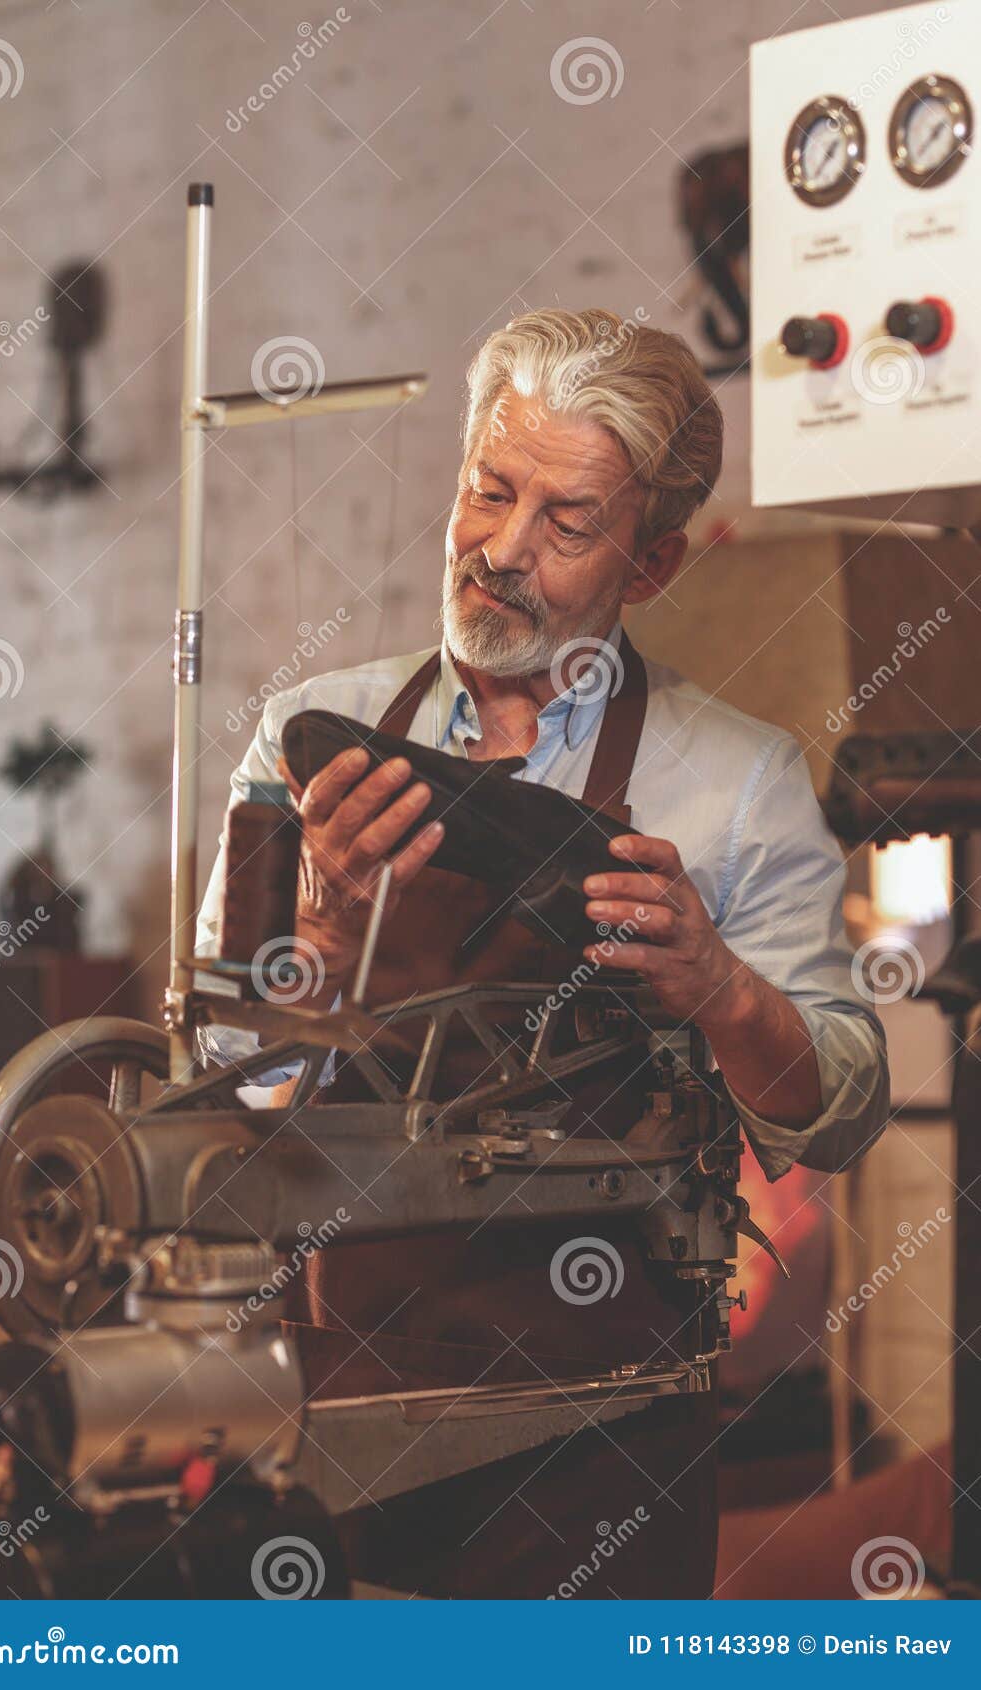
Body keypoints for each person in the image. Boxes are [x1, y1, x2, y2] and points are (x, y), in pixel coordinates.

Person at [196, 308, 890, 1597]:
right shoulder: (307, 741)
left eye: (566, 525)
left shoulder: (737, 781)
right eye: (487, 491)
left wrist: (721, 989)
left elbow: (839, 1111)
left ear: (656, 562)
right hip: (346, 1390)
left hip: (605, 1433)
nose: (502, 551)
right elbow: (231, 1076)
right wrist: (326, 932)